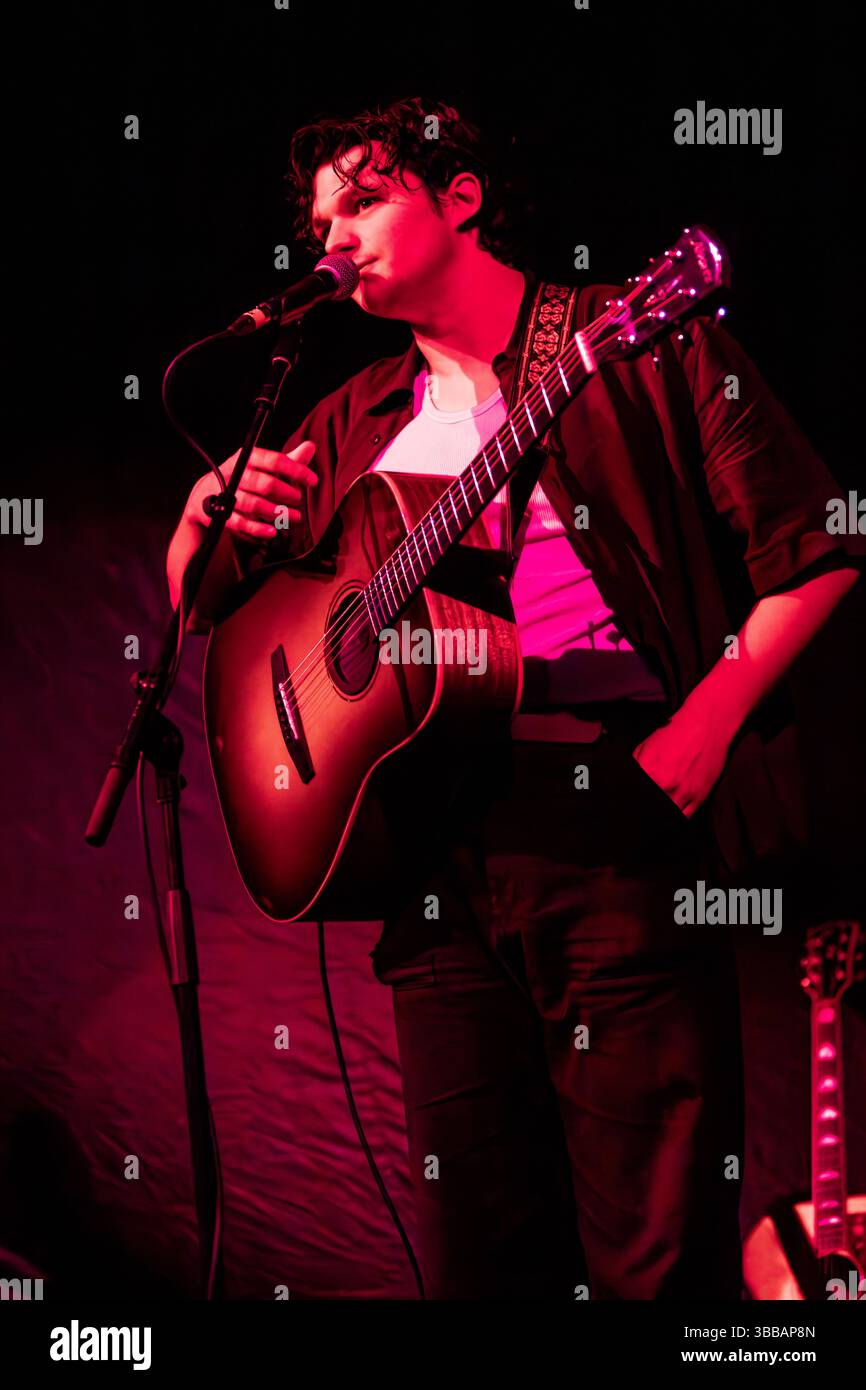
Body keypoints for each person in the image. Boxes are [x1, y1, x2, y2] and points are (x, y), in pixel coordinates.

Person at [166, 97, 864, 1299]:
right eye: (321, 221)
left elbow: (822, 543)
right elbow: (230, 625)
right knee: (478, 1259)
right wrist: (193, 532)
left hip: (610, 826)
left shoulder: (627, 335)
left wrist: (705, 724)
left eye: (365, 200)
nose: (334, 239)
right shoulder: (352, 418)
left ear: (459, 197)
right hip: (426, 859)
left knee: (651, 1259)